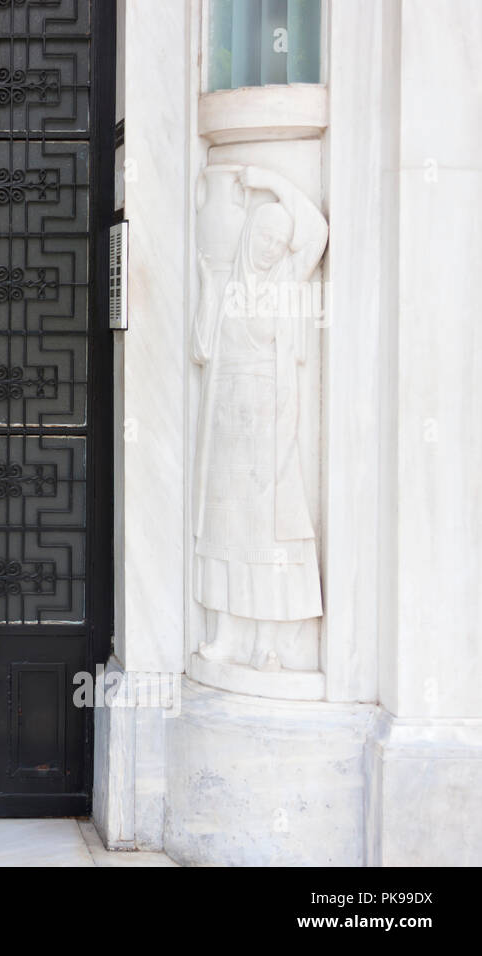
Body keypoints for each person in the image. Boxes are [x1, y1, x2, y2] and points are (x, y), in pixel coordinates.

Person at [191, 165, 328, 672]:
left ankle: (266, 641)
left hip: (271, 431)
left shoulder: (288, 282)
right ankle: (227, 634)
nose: (272, 247)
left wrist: (272, 179)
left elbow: (315, 230)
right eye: (265, 235)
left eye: (279, 240)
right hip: (228, 427)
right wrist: (208, 285)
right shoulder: (228, 286)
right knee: (227, 531)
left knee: (271, 535)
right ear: (249, 234)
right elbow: (203, 348)